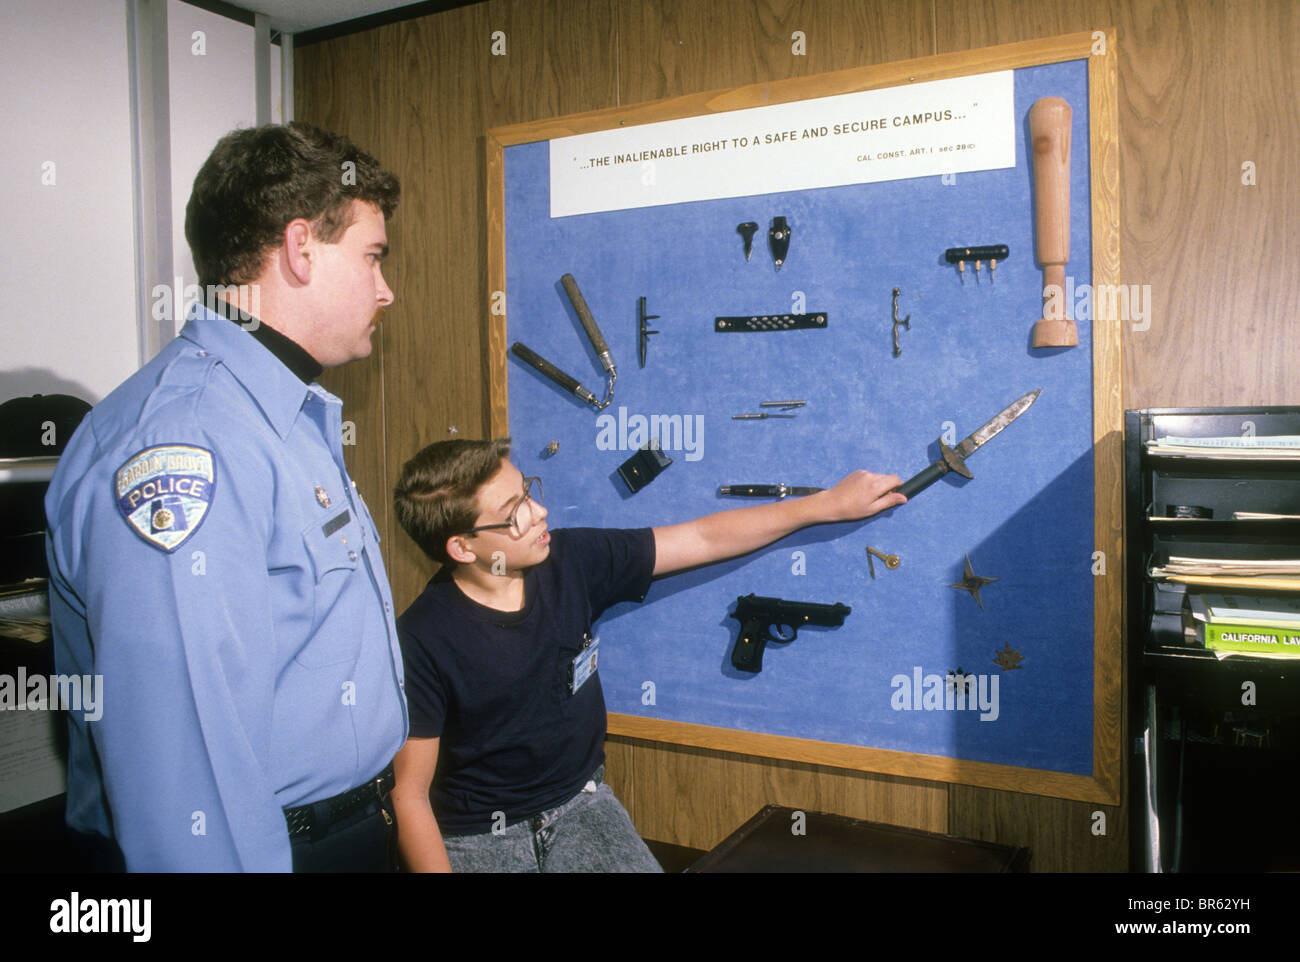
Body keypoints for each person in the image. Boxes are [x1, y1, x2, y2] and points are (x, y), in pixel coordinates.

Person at [44, 122, 407, 872]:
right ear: (301, 248)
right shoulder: (186, 445)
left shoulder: (280, 414)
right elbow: (186, 790)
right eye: (372, 257)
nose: (385, 288)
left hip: (348, 829)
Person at [389, 438, 906, 872]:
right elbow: (410, 795)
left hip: (580, 807)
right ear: (462, 547)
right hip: (479, 835)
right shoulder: (423, 637)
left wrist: (826, 505)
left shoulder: (573, 560)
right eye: (513, 513)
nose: (538, 510)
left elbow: (702, 538)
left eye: (528, 492)